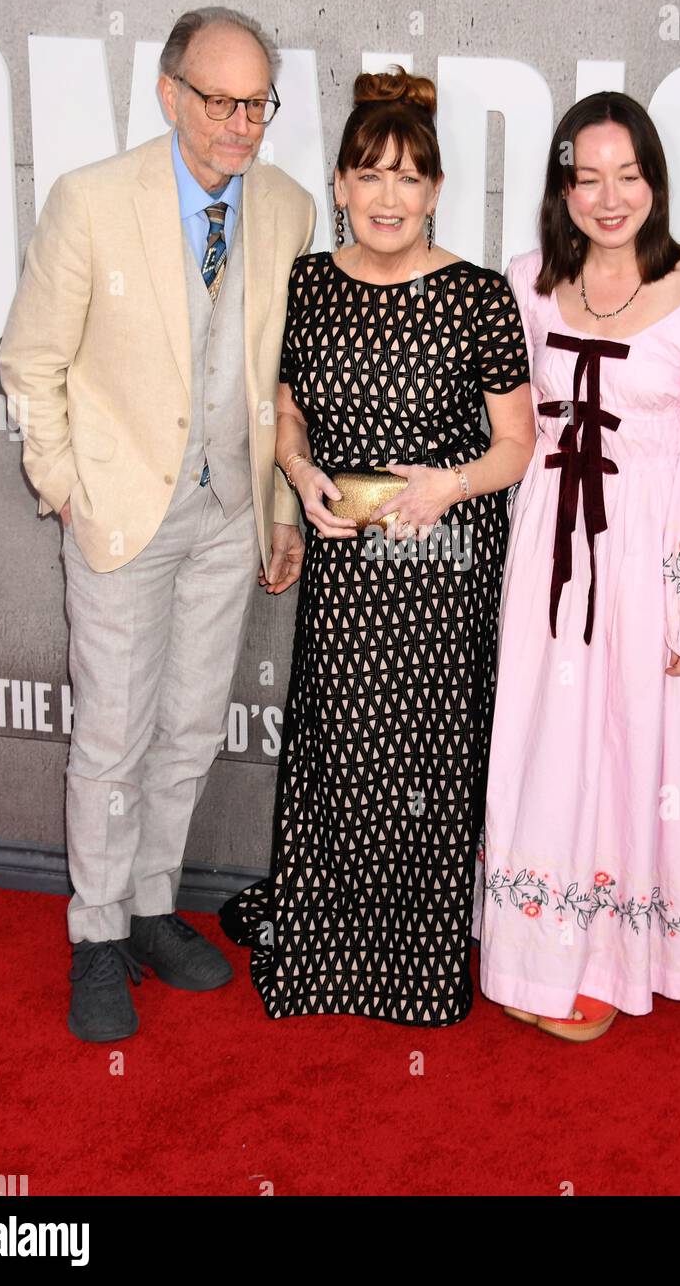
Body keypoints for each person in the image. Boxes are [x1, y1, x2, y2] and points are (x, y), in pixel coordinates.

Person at [0, 7, 315, 1043]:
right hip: (122, 514)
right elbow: (31, 360)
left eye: (256, 102)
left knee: (185, 728)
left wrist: (272, 505)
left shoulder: (289, 206)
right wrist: (64, 484)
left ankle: (148, 907)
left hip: (228, 512)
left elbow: (268, 375)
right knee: (112, 735)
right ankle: (94, 934)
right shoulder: (92, 202)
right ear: (170, 93)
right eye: (218, 99)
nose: (238, 123)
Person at [219, 66, 535, 1025]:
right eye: (368, 175)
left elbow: (517, 444)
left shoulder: (479, 296)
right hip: (348, 566)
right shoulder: (310, 282)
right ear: (342, 186)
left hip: (443, 569)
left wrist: (451, 483)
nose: (387, 197)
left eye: (408, 178)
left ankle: (412, 960)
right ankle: (325, 950)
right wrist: (300, 475)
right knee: (340, 755)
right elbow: (288, 411)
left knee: (428, 764)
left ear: (434, 191)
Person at [477, 91, 680, 1042]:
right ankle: (536, 953)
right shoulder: (523, 282)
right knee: (546, 747)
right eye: (586, 177)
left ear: (654, 180)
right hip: (545, 557)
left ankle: (613, 958)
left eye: (627, 175)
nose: (609, 198)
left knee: (628, 752)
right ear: (562, 187)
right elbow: (498, 423)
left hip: (649, 569)